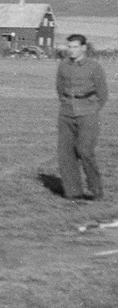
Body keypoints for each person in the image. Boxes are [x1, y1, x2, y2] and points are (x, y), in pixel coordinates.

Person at [55, 33, 107, 201]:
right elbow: (60, 88)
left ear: (84, 48)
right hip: (66, 113)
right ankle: (73, 193)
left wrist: (92, 110)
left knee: (85, 151)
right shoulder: (63, 66)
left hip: (88, 113)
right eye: (69, 47)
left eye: (75, 47)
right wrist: (67, 105)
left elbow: (103, 94)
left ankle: (96, 190)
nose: (71, 50)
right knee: (66, 153)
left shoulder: (94, 67)